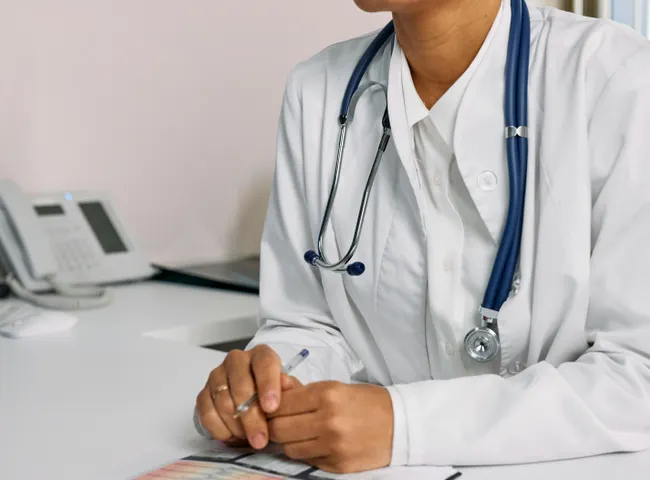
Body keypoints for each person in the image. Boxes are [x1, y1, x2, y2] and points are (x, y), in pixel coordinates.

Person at [195, 0, 650, 473]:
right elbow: (309, 326)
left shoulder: (618, 80)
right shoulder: (319, 91)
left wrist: (406, 426)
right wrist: (268, 384)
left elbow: (639, 374)